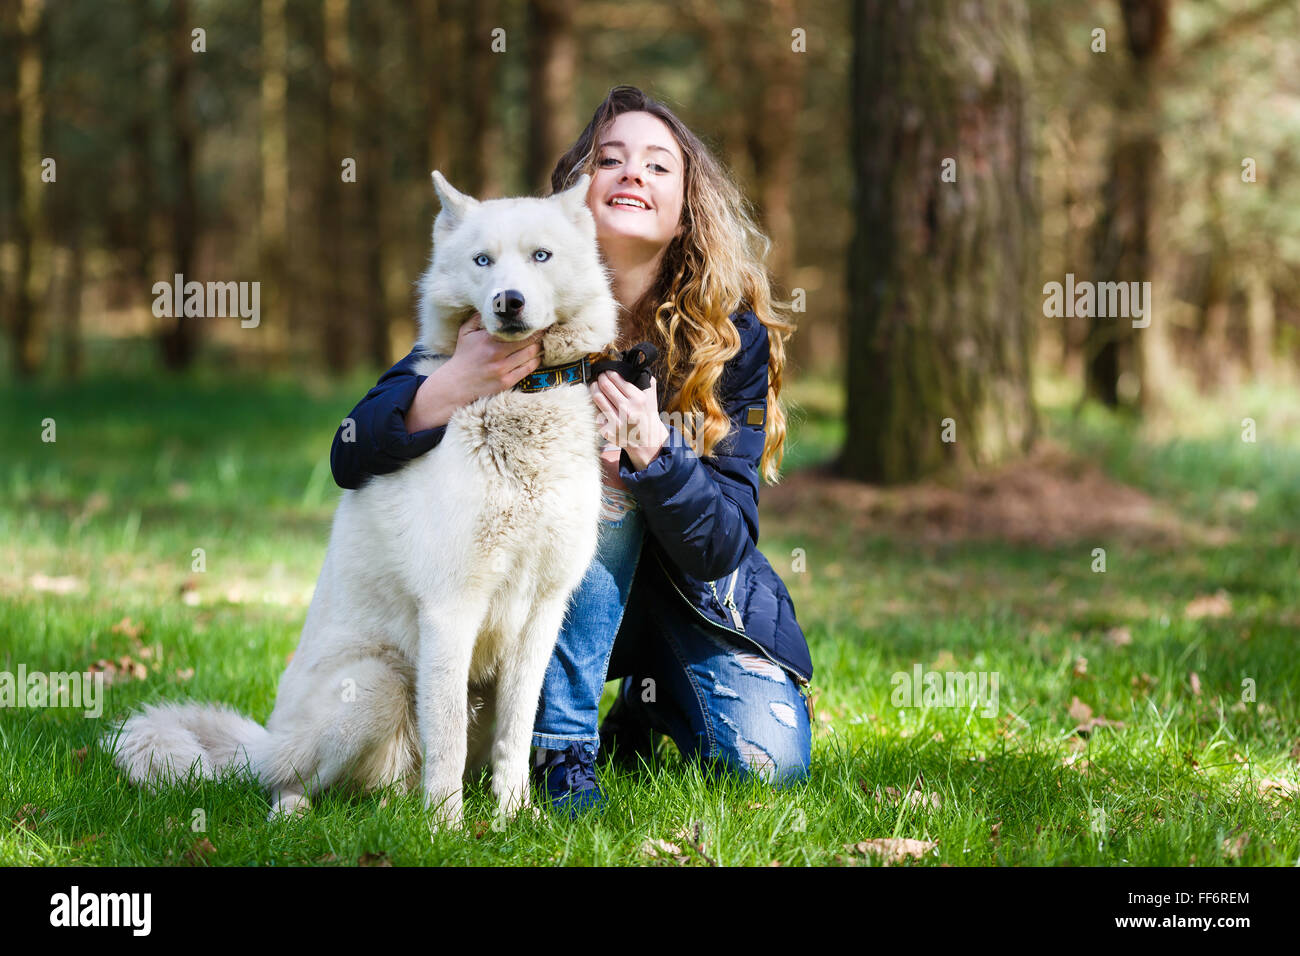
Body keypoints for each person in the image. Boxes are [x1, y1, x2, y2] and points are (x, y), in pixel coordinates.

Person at [330, 85, 813, 816]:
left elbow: (725, 542)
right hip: (542, 609)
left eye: (658, 167)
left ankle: (646, 708)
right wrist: (450, 385)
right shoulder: (503, 301)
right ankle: (563, 745)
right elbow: (351, 450)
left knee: (765, 764)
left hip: (684, 603)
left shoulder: (732, 336)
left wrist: (658, 454)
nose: (631, 176)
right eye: (611, 159)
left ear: (689, 205)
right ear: (575, 198)